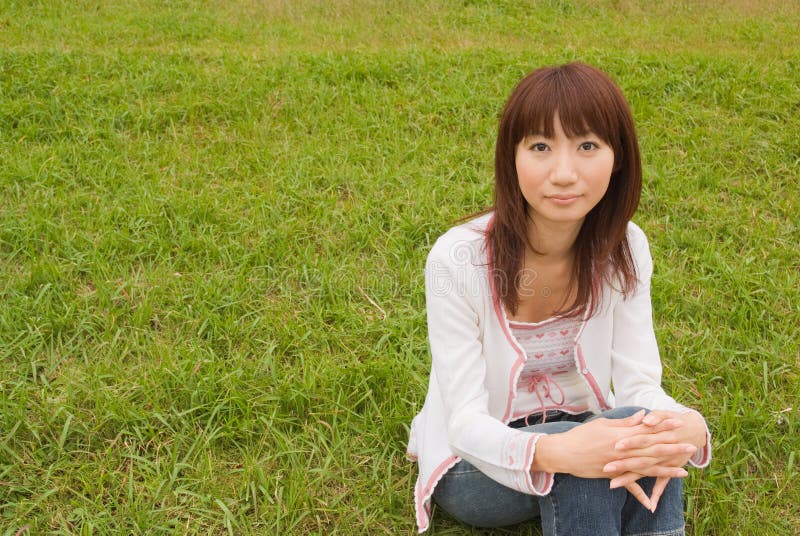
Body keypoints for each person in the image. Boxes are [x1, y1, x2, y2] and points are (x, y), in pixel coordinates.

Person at [406, 62, 711, 535]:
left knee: (638, 429)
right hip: (474, 466)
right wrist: (561, 450)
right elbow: (464, 424)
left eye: (587, 146)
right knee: (590, 450)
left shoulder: (626, 247)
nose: (564, 173)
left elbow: (639, 388)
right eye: (541, 147)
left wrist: (686, 426)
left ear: (618, 157)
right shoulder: (459, 258)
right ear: (513, 156)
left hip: (585, 422)